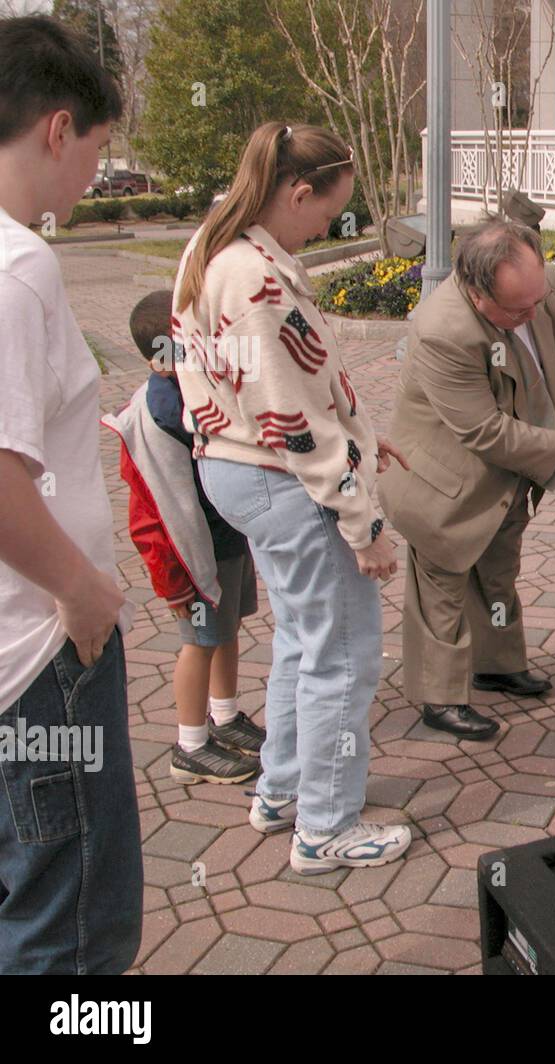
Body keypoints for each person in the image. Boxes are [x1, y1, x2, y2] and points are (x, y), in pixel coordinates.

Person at [173, 121, 411, 875]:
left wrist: (364, 441)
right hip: (284, 478)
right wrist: (364, 521)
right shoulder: (259, 280)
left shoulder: (218, 242)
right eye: (327, 213)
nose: (328, 229)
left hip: (239, 469)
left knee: (306, 645)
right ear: (297, 191)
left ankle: (281, 793)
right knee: (342, 656)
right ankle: (327, 828)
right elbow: (294, 420)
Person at [0, 14, 142, 973]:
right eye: (96, 149)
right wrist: (82, 592)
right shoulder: (18, 268)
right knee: (75, 923)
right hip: (42, 656)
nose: (93, 174)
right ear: (59, 128)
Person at [380, 218, 555, 740]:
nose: (534, 313)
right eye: (518, 310)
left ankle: (496, 664)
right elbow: (483, 431)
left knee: (497, 568)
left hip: (513, 470)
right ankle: (439, 698)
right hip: (445, 479)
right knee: (442, 584)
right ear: (475, 289)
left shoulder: (539, 285)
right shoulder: (443, 329)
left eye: (537, 300)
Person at [103, 291, 266, 785]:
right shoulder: (164, 408)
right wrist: (173, 583)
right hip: (194, 556)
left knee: (228, 630)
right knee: (198, 643)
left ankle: (225, 715)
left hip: (226, 537)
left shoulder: (191, 386)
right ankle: (190, 744)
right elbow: (153, 512)